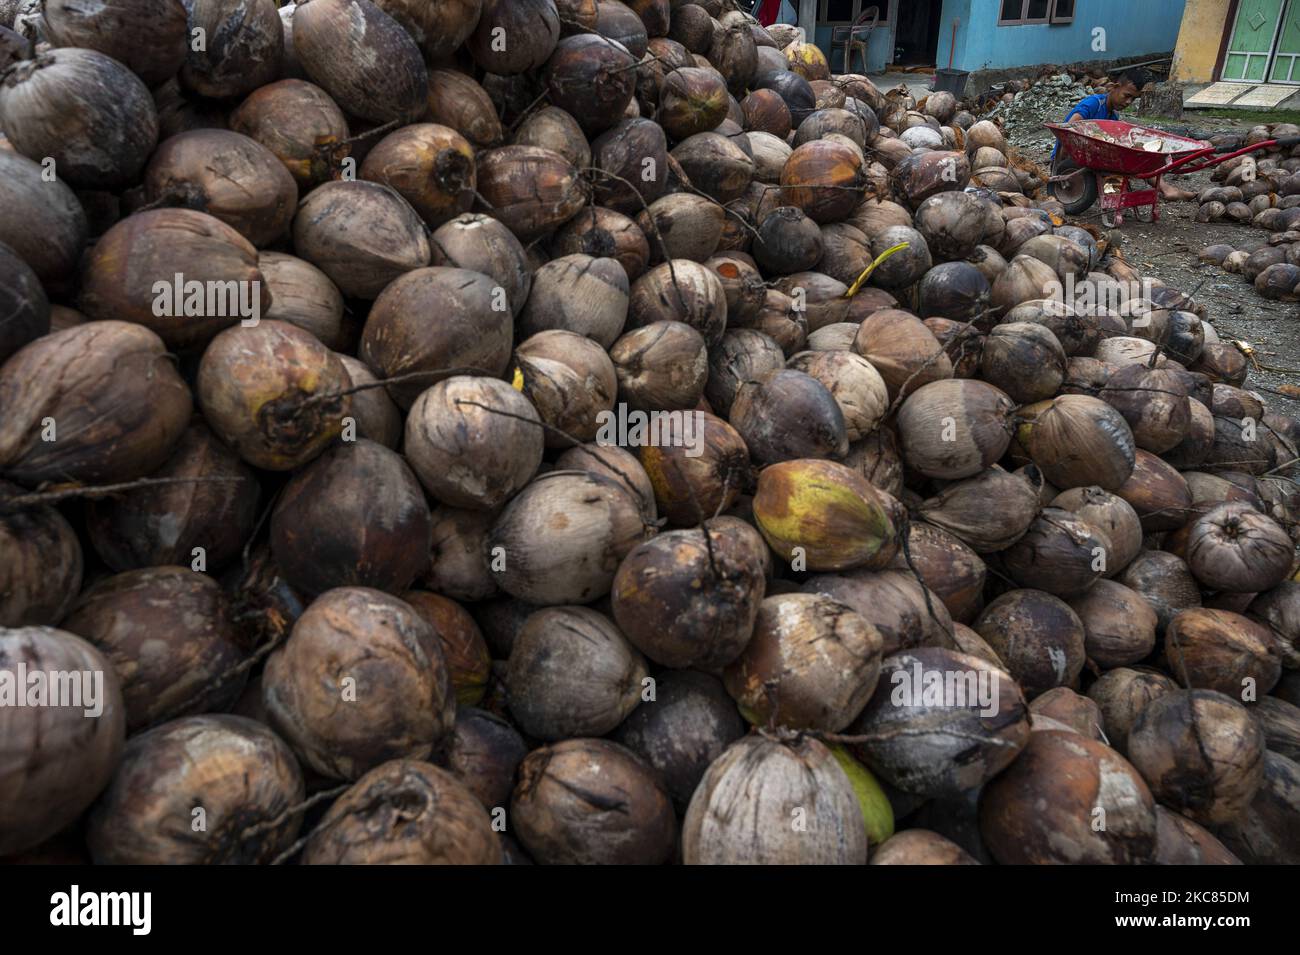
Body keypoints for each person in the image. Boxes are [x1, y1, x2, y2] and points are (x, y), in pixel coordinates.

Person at [1053, 68, 1197, 201]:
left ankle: (1162, 190)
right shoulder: (1094, 103)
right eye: (1127, 96)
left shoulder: (1113, 116)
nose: (1128, 102)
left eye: (1133, 99)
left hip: (1093, 159)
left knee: (1135, 159)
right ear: (1114, 87)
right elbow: (1068, 131)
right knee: (1126, 163)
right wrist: (1061, 167)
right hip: (1072, 159)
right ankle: (1164, 190)